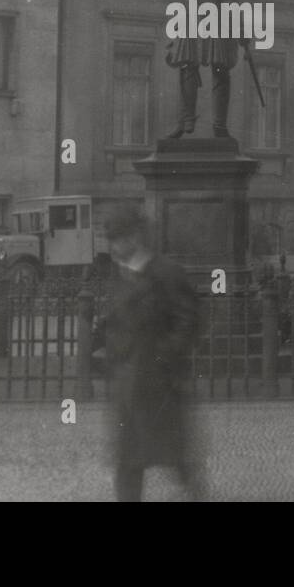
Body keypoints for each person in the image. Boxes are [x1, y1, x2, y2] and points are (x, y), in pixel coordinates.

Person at [101, 204, 203, 500]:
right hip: (127, 388)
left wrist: (163, 357)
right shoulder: (119, 276)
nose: (115, 246)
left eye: (119, 239)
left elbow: (190, 321)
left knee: (176, 458)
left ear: (135, 237)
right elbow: (116, 324)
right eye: (112, 240)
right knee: (127, 462)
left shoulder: (167, 273)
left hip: (160, 384)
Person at [157, 0, 250, 139]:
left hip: (189, 23)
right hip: (214, 23)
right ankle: (219, 126)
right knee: (220, 73)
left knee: (188, 70)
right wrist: (242, 30)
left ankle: (186, 121)